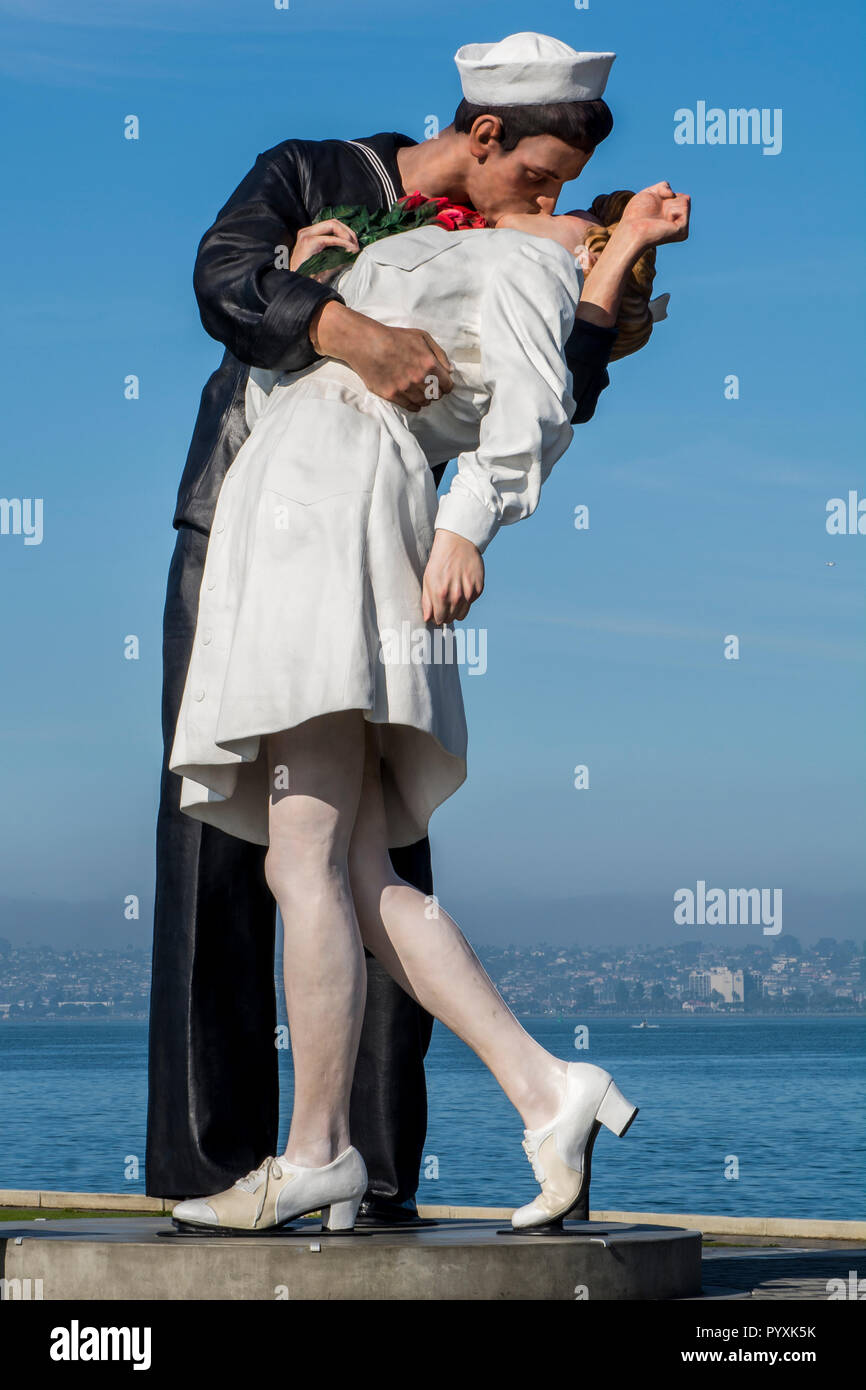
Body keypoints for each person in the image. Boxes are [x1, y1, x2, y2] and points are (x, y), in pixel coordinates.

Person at [146, 32, 646, 1220]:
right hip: (268, 526)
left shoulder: (522, 262)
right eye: (543, 181)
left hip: (327, 528)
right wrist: (331, 295)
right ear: (481, 138)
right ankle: (538, 1088)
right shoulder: (341, 192)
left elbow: (544, 399)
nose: (553, 204)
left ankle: (330, 1155)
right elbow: (228, 281)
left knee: (306, 857)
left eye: (575, 205)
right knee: (336, 866)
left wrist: (467, 519)